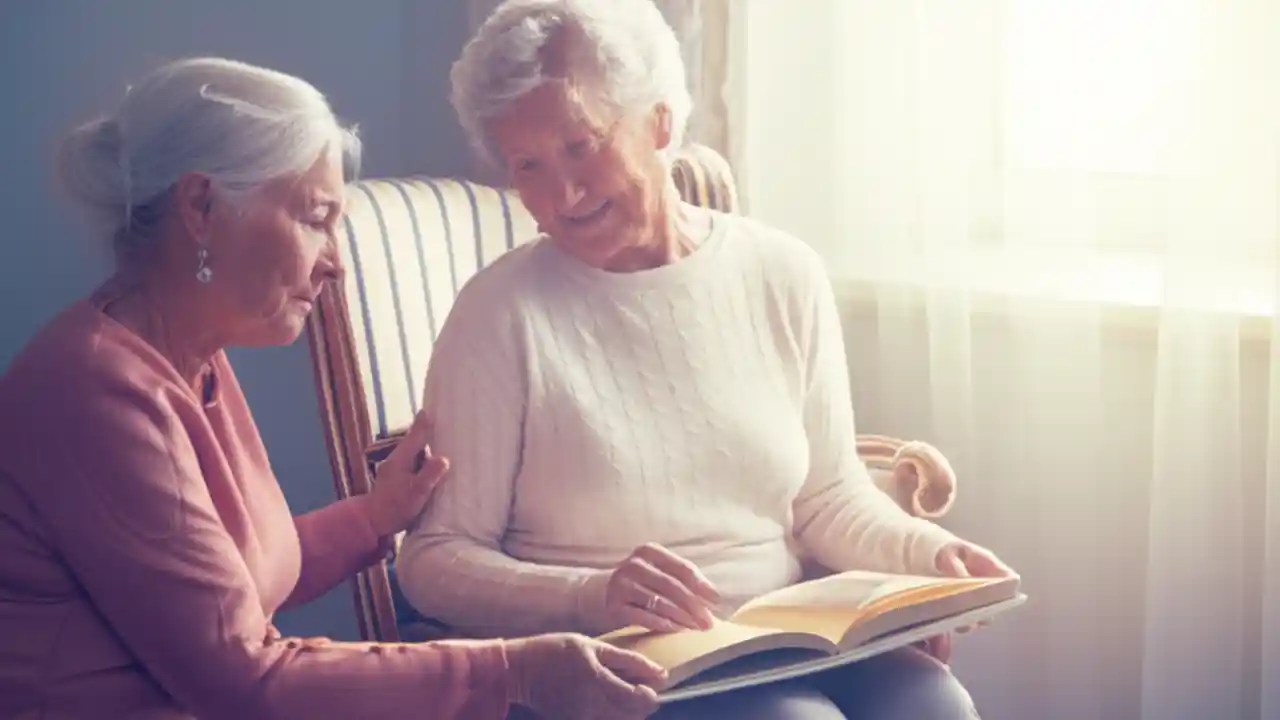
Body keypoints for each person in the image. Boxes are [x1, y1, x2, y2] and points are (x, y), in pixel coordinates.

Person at [395, 1, 1017, 718]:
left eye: (581, 146)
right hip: (613, 663)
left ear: (659, 122)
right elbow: (434, 559)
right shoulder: (499, 314)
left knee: (936, 707)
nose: (560, 194)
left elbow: (828, 498)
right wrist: (589, 595)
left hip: (787, 635)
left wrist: (930, 557)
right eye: (527, 166)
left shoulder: (783, 273)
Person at [0, 57, 665, 720]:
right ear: (201, 206)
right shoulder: (94, 392)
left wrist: (373, 519)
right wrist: (515, 667)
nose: (335, 264)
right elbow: (244, 678)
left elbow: (222, 586)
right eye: (315, 218)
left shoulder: (186, 358)